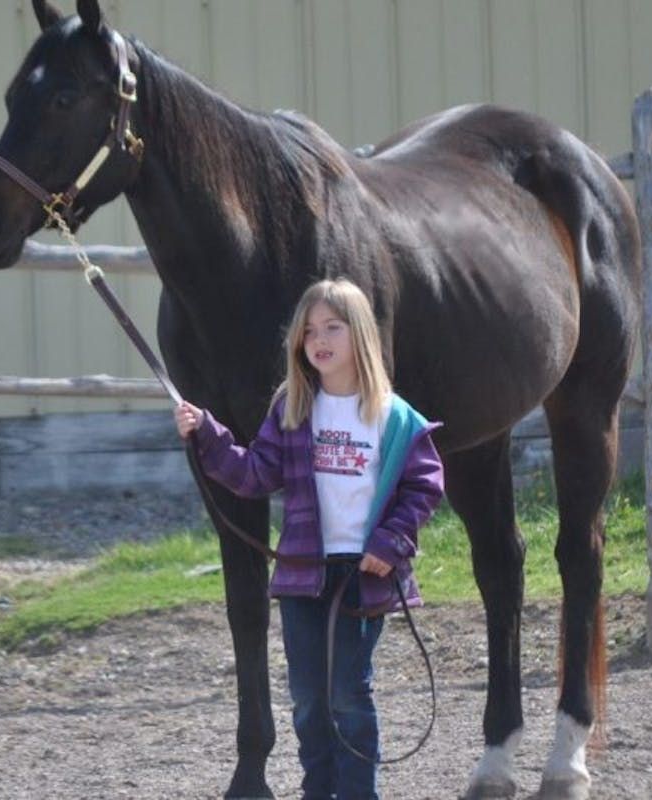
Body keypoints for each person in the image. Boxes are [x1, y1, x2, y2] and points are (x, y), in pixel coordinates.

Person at [174, 278, 444, 800]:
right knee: (306, 698)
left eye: (332, 328)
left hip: (364, 577)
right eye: (309, 331)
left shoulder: (394, 417)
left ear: (359, 334)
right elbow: (253, 473)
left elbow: (424, 486)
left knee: (347, 693)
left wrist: (390, 544)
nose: (319, 339)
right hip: (303, 575)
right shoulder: (293, 410)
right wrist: (207, 433)